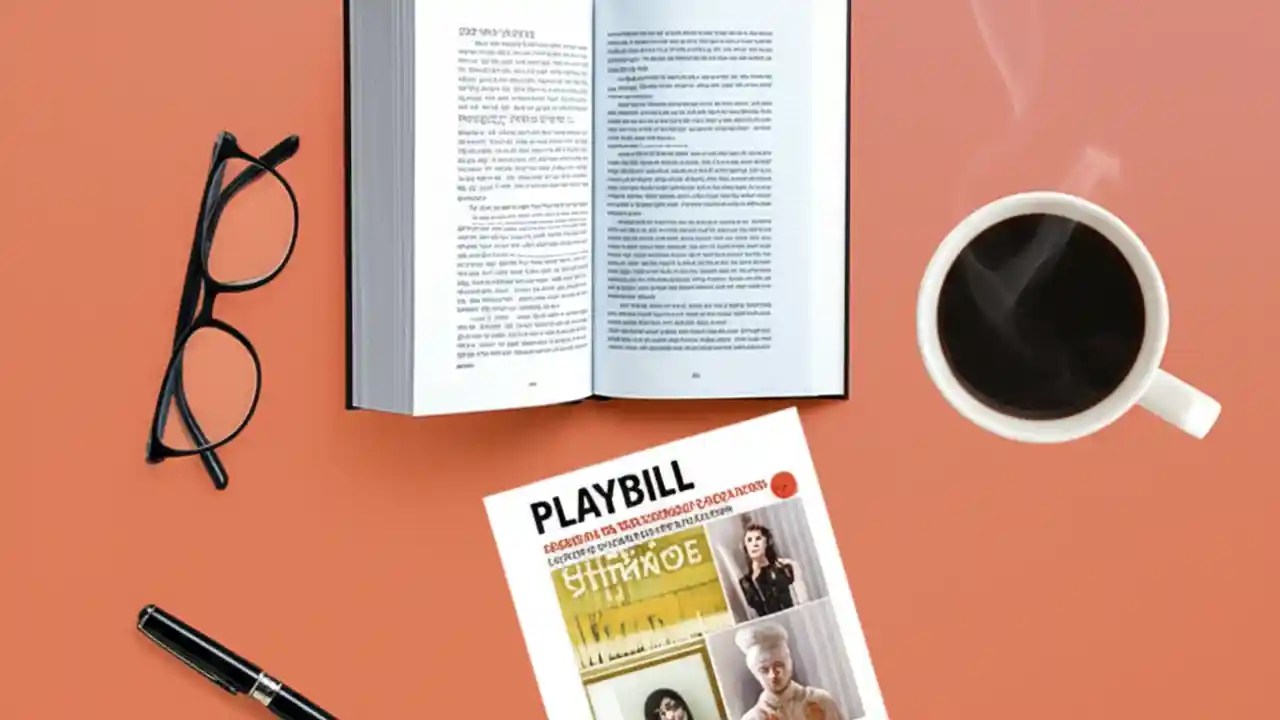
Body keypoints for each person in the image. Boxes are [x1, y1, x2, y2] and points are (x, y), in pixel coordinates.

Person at [734, 623, 845, 720]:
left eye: (779, 666)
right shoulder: (753, 718)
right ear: (755, 673)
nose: (773, 675)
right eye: (764, 670)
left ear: (789, 663)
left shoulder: (822, 701)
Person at [738, 522, 803, 617]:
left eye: (758, 539)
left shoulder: (787, 567)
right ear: (745, 547)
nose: (754, 544)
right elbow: (752, 615)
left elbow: (803, 601)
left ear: (767, 542)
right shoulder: (746, 583)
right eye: (749, 540)